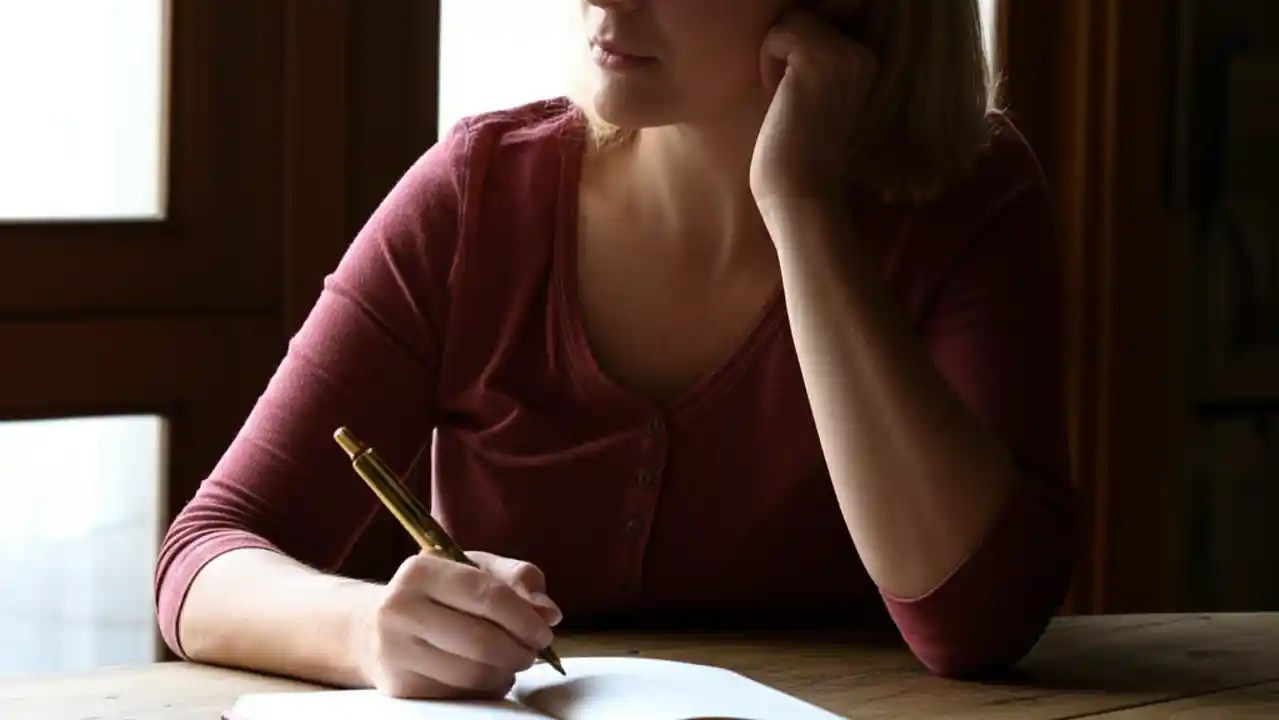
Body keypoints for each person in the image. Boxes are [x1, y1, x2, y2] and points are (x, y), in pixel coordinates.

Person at [155, 0, 1075, 701]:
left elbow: (974, 622)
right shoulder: (479, 198)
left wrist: (802, 208)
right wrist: (371, 632)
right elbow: (203, 559)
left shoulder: (969, 200)